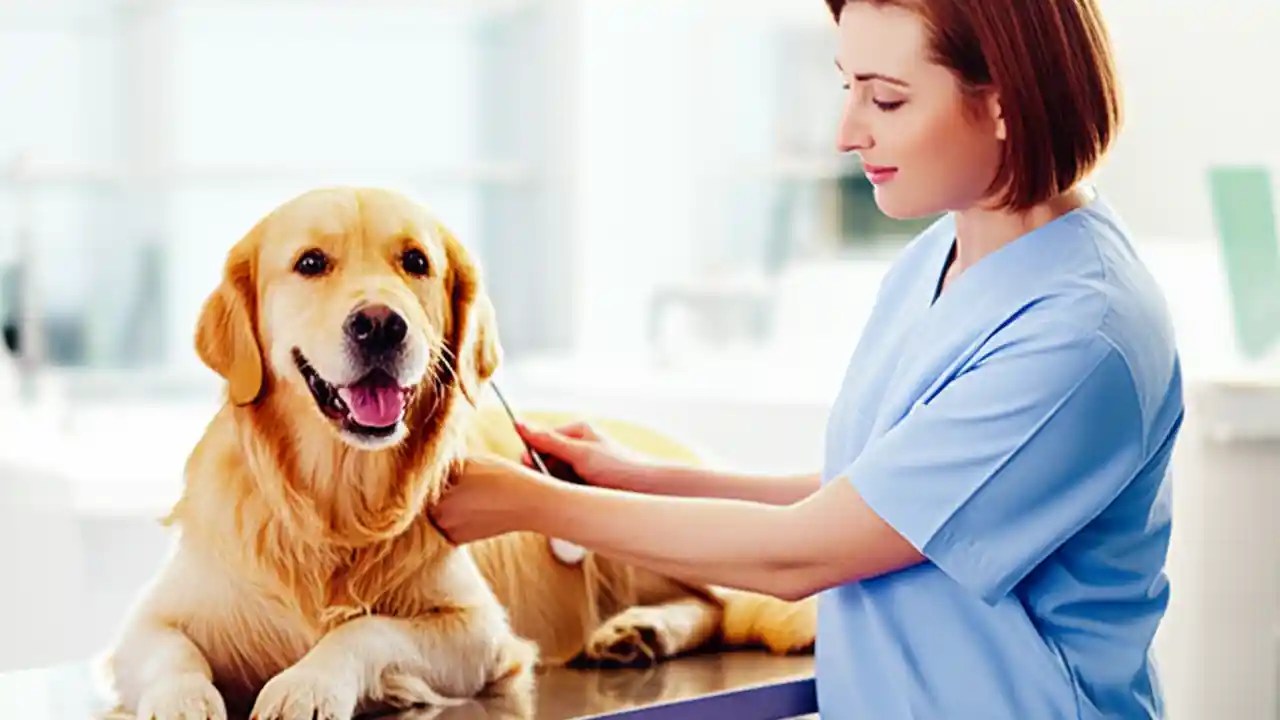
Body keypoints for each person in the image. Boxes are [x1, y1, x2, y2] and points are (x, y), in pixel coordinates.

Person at [432, 0, 1183, 717]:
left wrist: (536, 506)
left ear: (1003, 102)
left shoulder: (1081, 338)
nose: (846, 131)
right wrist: (644, 476)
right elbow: (883, 497)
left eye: (886, 100)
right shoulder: (935, 262)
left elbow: (804, 556)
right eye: (847, 86)